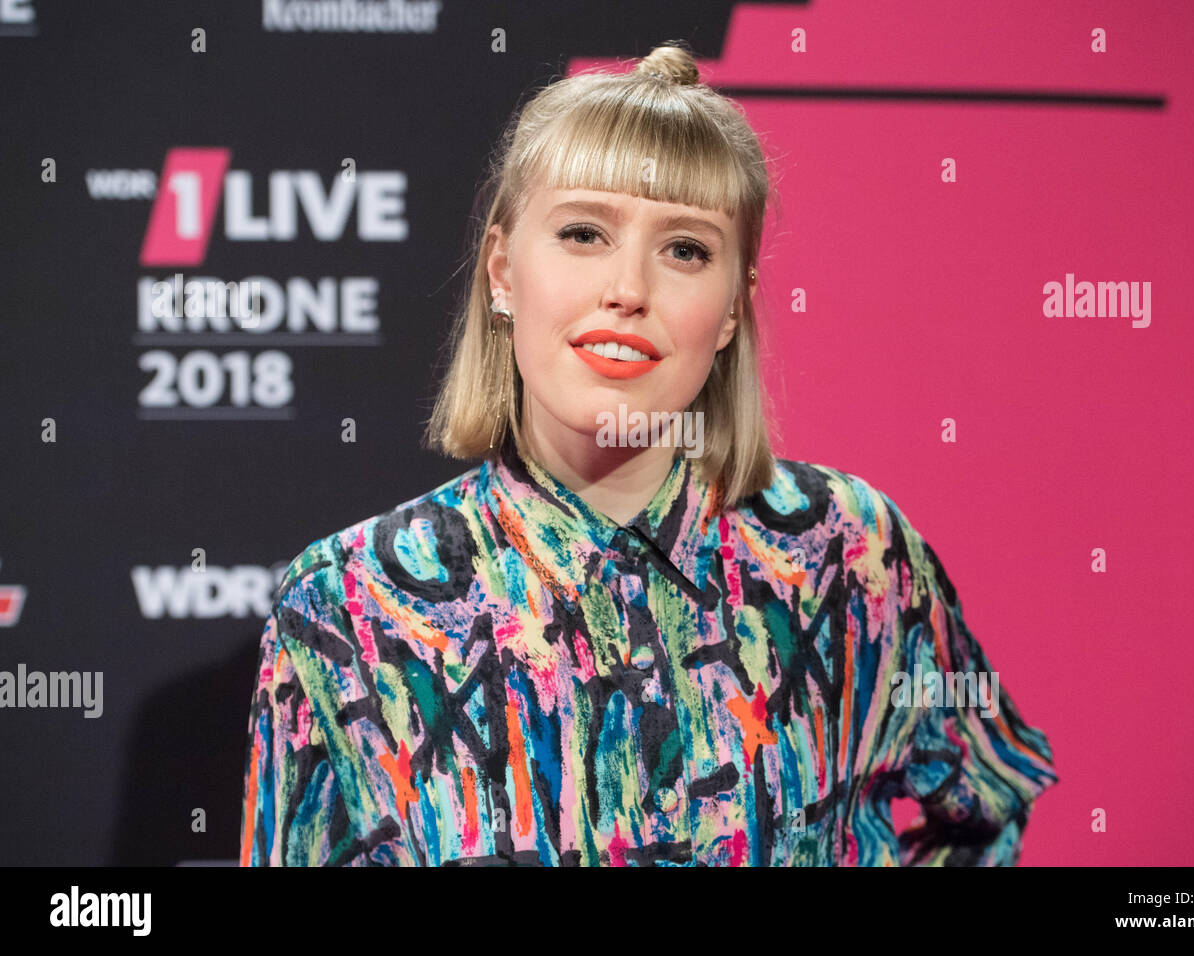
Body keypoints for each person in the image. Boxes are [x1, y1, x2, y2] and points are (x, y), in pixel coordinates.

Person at [239, 41, 1058, 866]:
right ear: (502, 273)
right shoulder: (348, 604)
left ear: (732, 312)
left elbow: (988, 809)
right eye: (585, 233)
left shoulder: (850, 553)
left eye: (686, 250)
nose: (629, 289)